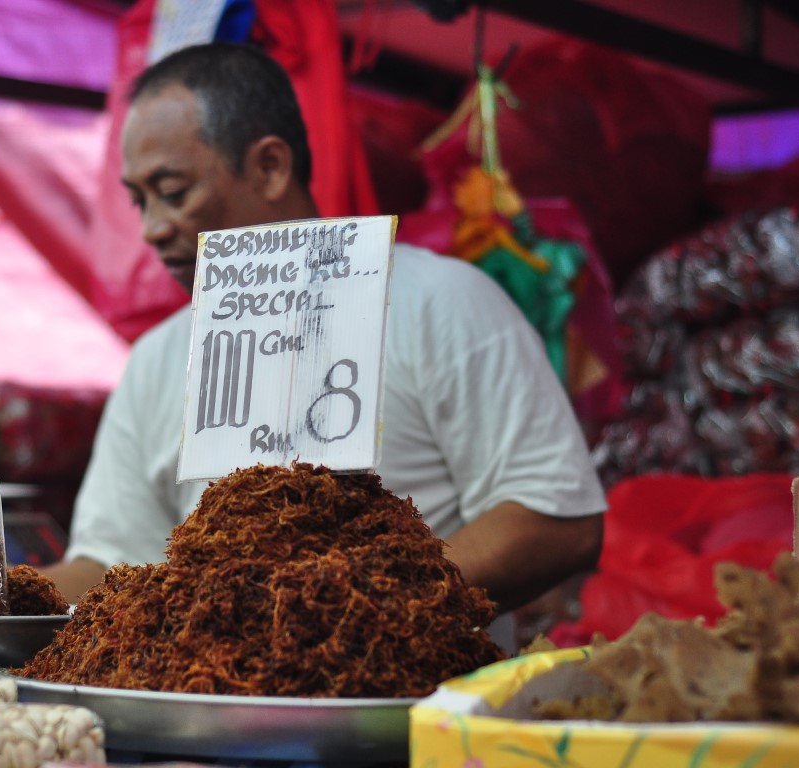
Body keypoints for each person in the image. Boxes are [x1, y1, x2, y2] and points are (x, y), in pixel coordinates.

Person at [41, 42, 606, 642]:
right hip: (210, 715)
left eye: (174, 192)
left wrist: (363, 616)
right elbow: (108, 564)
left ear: (270, 167)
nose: (152, 228)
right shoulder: (156, 360)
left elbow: (556, 518)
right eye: (139, 199)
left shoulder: (441, 299)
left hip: (413, 718)